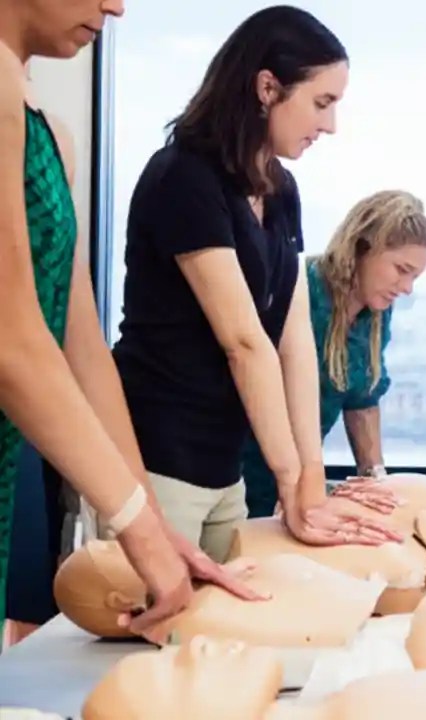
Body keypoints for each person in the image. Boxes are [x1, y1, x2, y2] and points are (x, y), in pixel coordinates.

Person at [0, 0, 263, 646]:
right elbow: (10, 340)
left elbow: (79, 342)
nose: (116, 6)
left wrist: (145, 517)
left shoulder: (47, 131)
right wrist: (138, 528)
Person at [113, 5, 400, 564]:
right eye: (322, 103)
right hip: (158, 461)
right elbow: (244, 343)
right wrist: (293, 485)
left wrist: (311, 480)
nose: (331, 125)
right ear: (267, 87)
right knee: (156, 643)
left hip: (226, 468)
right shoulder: (184, 177)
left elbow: (292, 340)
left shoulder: (280, 189)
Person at [241, 190, 426, 518]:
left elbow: (362, 401)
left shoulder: (375, 313)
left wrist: (376, 482)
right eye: (401, 270)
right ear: (363, 247)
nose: (407, 288)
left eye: (414, 277)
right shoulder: (297, 288)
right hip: (241, 471)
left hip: (300, 480)